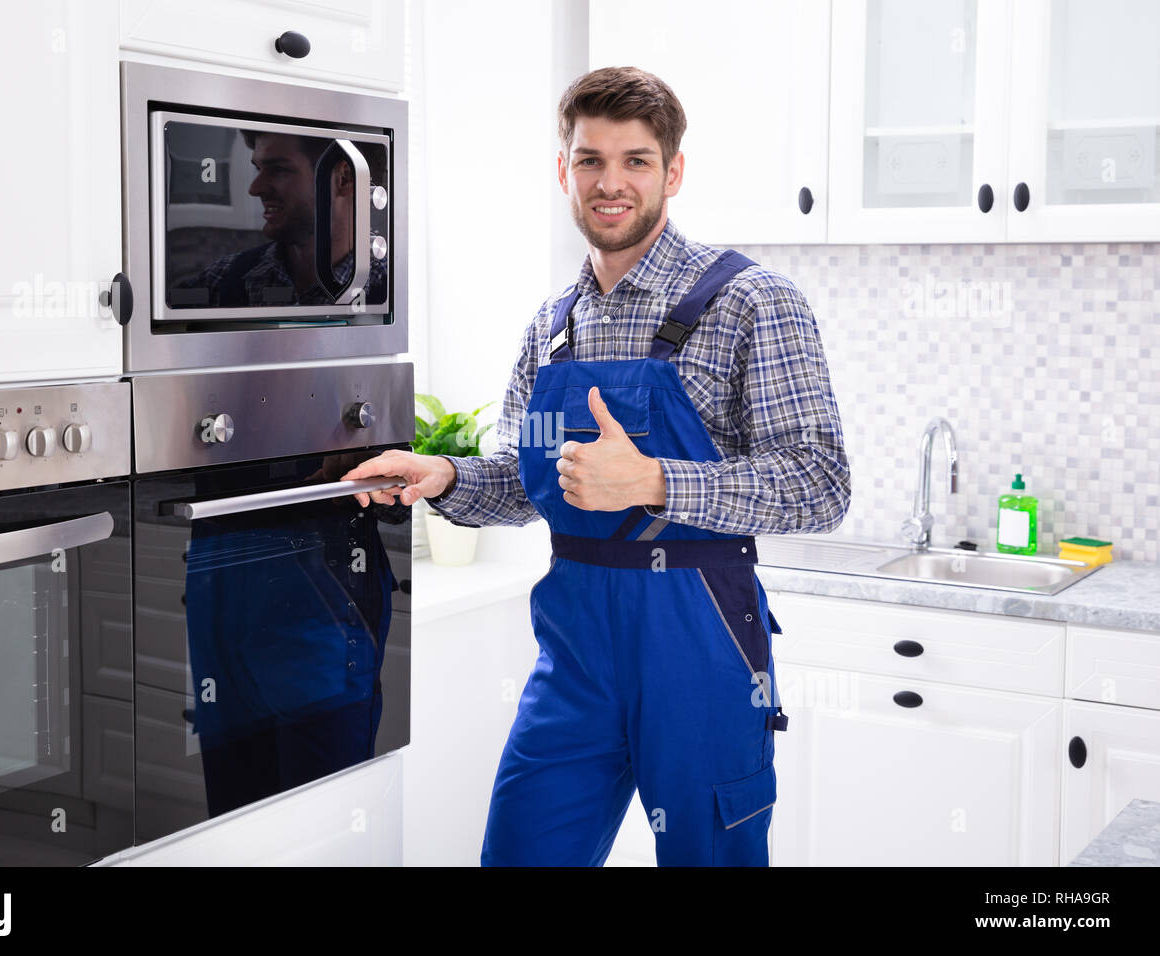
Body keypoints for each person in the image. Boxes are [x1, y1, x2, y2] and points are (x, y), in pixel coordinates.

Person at [339, 66, 851, 866]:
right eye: (590, 161)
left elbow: (821, 483)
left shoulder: (753, 302)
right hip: (574, 651)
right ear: (563, 172)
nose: (610, 183)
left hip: (700, 646)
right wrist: (444, 477)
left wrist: (653, 482)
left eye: (636, 161)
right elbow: (528, 482)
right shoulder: (552, 326)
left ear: (672, 172)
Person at [172, 129, 387, 308]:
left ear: (345, 178)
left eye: (279, 170)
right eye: (258, 169)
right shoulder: (224, 277)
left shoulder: (398, 289)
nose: (255, 189)